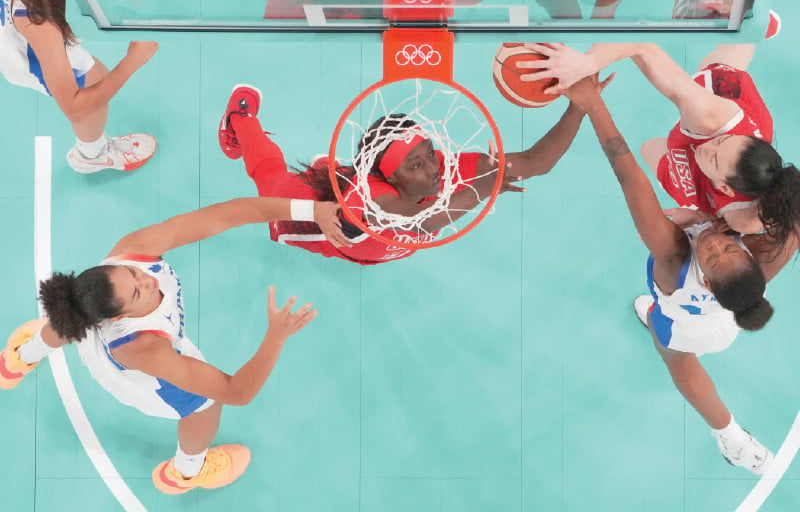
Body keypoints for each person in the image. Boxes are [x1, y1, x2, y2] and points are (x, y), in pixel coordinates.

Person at [0, 196, 346, 494]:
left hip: (108, 328)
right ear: (120, 317)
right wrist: (276, 336)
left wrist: (310, 210)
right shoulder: (144, 348)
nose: (147, 280)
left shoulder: (132, 252)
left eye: (134, 275)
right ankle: (185, 472)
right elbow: (238, 392)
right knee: (205, 406)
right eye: (138, 291)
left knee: (73, 313)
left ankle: (17, 359)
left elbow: (226, 214)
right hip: (144, 378)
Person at [562, 72, 789, 475]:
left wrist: (594, 106)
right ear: (751, 260)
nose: (715, 244)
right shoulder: (766, 258)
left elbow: (628, 174)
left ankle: (730, 438)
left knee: (676, 357)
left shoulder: (673, 256)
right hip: (730, 319)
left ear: (705, 280)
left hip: (687, 324)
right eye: (727, 247)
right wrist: (702, 216)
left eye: (713, 257)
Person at [217, 83, 588, 264]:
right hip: (323, 224)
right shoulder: (369, 198)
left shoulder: (445, 169)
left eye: (429, 153)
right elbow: (417, 224)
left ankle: (326, 169)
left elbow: (537, 163)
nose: (434, 170)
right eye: (415, 165)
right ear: (387, 179)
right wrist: (485, 185)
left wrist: (580, 106)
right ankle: (240, 119)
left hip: (374, 235)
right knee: (270, 179)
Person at [519, 42, 800, 253]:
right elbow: (641, 46)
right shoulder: (710, 116)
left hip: (718, 179)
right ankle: (757, 23)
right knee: (719, 63)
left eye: (714, 159)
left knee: (649, 148)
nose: (708, 148)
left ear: (725, 188)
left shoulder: (746, 220)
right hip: (718, 112)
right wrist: (586, 63)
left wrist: (700, 218)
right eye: (721, 143)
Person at [0, 0, 158, 173]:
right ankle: (91, 155)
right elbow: (74, 108)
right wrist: (133, 60)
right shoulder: (39, 26)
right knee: (94, 82)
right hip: (20, 51)